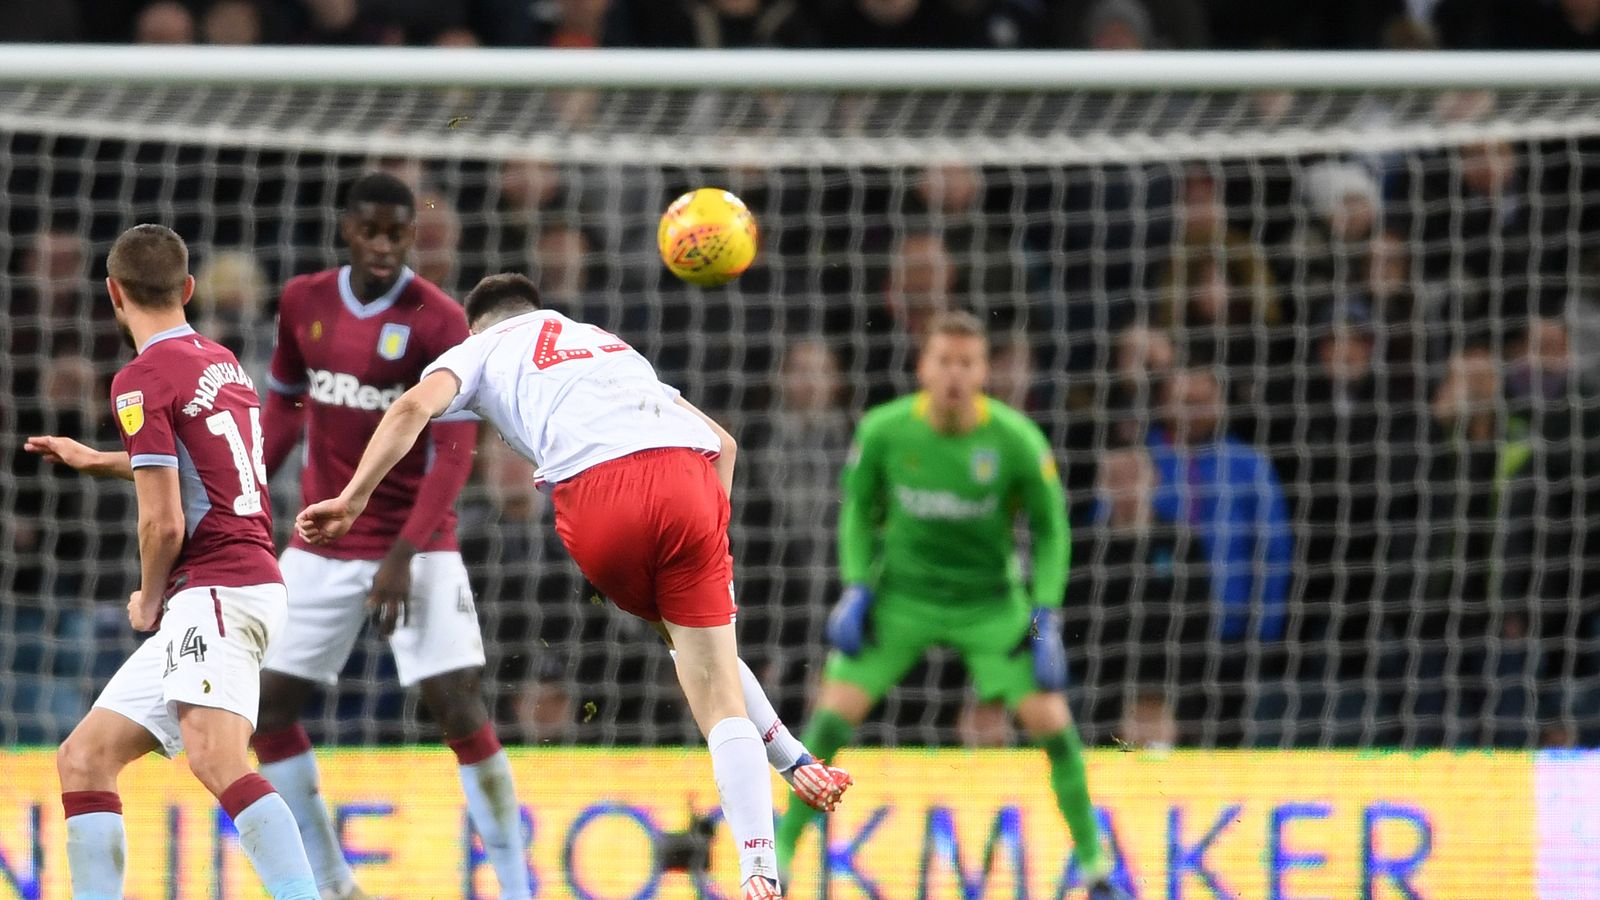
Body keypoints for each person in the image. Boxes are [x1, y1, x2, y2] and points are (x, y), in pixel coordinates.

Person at [293, 273, 853, 899]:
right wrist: (703, 543)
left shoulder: (476, 349)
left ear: (476, 324)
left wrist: (352, 497)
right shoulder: (607, 344)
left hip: (598, 498)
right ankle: (762, 864)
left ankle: (788, 772)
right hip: (686, 481)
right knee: (711, 672)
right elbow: (723, 444)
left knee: (691, 655)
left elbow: (409, 408)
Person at [773, 311, 1127, 899]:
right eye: (944, 361)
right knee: (829, 718)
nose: (955, 375)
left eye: (967, 363)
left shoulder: (1016, 441)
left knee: (1055, 728)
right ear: (924, 367)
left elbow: (1052, 530)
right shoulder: (885, 431)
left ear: (984, 370)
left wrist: (1046, 613)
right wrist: (857, 586)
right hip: (902, 598)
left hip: (990, 604)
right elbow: (857, 510)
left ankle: (1094, 868)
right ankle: (781, 856)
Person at [24, 225, 318, 899]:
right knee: (85, 756)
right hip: (240, 585)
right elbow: (200, 465)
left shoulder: (140, 379)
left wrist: (149, 596)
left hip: (212, 593)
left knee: (214, 756)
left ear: (112, 294)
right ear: (187, 289)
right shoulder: (221, 361)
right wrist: (96, 458)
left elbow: (164, 520)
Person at [254, 172, 526, 900]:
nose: (382, 246)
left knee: (455, 700)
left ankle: (518, 884)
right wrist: (246, 498)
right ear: (347, 227)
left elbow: (453, 453)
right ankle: (334, 885)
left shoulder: (438, 320)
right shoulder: (302, 302)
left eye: (396, 233)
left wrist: (404, 554)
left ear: (412, 234)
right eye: (369, 231)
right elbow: (282, 410)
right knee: (264, 710)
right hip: (322, 538)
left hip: (416, 544)